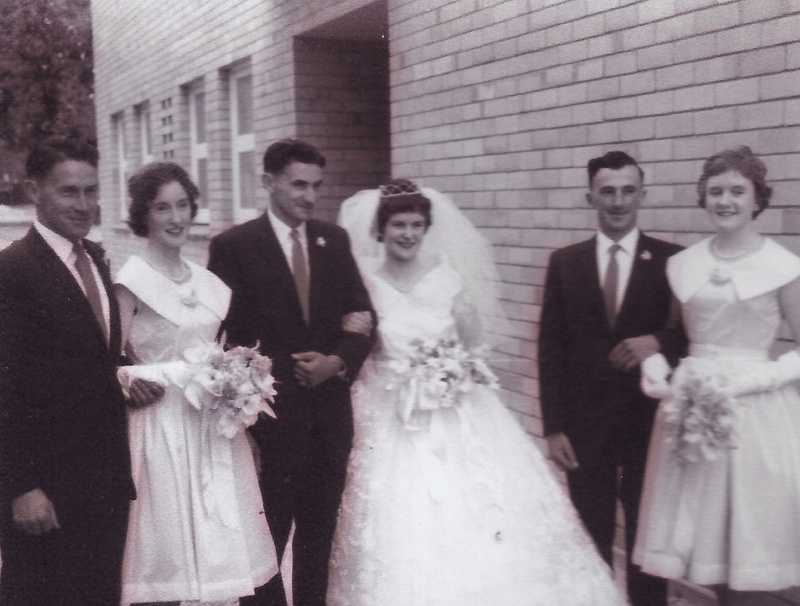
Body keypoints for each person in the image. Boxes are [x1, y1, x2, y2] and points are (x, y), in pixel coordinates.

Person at [327, 179, 625, 605]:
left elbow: (472, 348)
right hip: (390, 415)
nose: (408, 233)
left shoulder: (446, 279)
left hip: (456, 414)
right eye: (398, 225)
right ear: (380, 229)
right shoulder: (366, 286)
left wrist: (452, 374)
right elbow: (362, 355)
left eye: (415, 224)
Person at [207, 139, 375, 606]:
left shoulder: (333, 241)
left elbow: (361, 314)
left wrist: (337, 362)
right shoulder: (234, 246)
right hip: (271, 427)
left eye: (315, 186)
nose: (309, 196)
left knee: (318, 542)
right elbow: (224, 336)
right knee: (265, 546)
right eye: (298, 184)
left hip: (329, 420)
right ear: (269, 182)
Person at [634, 146, 800, 605]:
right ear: (703, 198)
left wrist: (753, 380)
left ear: (757, 199)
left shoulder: (783, 266)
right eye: (715, 192)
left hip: (755, 414)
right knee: (699, 541)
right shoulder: (684, 265)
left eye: (736, 191)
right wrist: (655, 365)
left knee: (748, 538)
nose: (725, 201)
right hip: (690, 409)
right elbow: (673, 336)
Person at [114, 162, 279, 605]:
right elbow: (107, 357)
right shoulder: (130, 281)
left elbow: (219, 348)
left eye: (183, 205)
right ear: (143, 215)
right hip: (159, 426)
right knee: (167, 547)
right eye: (162, 207)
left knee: (218, 549)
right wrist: (125, 381)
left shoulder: (208, 283)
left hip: (209, 428)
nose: (176, 218)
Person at [0, 138, 153, 605]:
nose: (84, 205)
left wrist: (125, 376)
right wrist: (20, 486)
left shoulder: (97, 261)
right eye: (69, 192)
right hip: (44, 490)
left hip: (103, 483)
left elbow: (88, 356)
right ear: (33, 191)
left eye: (91, 191)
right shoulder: (11, 271)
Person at [537, 151, 686, 606]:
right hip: (585, 427)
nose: (618, 201)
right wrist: (554, 426)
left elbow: (689, 337)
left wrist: (656, 341)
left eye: (627, 190)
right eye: (607, 191)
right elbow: (551, 348)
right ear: (590, 197)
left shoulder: (671, 261)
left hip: (648, 426)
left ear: (643, 194)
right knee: (591, 536)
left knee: (645, 540)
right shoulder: (566, 262)